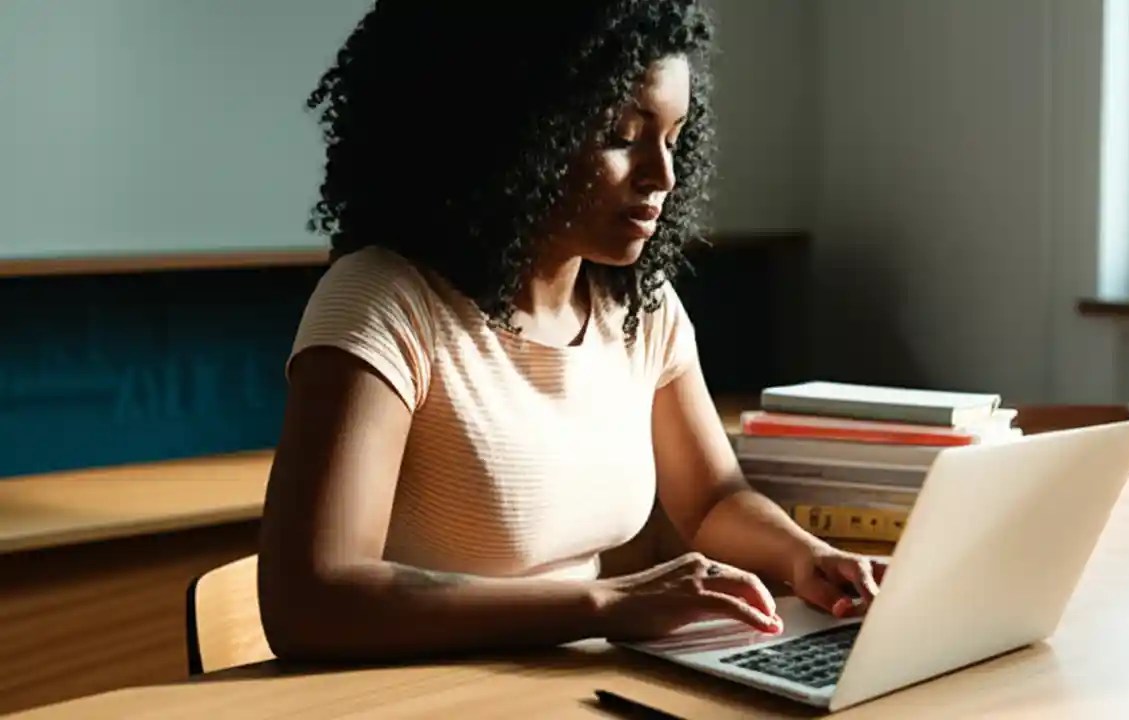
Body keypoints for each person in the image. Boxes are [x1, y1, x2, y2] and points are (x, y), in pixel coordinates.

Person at [258, 0, 887, 663]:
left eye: (674, 138)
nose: (662, 177)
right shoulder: (383, 300)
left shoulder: (644, 309)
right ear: (516, 128)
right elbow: (313, 598)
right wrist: (609, 604)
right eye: (622, 133)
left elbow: (711, 500)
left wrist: (808, 557)